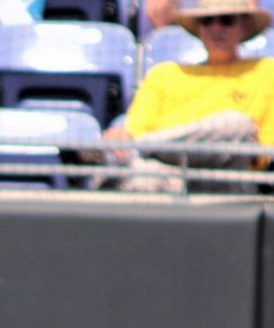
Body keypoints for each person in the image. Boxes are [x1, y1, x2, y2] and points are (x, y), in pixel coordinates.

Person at [97, 0, 274, 193]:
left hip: (230, 177)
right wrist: (123, 140)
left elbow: (264, 151)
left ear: (244, 25)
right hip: (168, 174)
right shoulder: (164, 74)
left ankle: (139, 149)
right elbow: (136, 131)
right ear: (199, 27)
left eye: (226, 20)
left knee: (236, 124)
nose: (216, 28)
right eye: (207, 21)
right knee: (142, 177)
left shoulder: (267, 72)